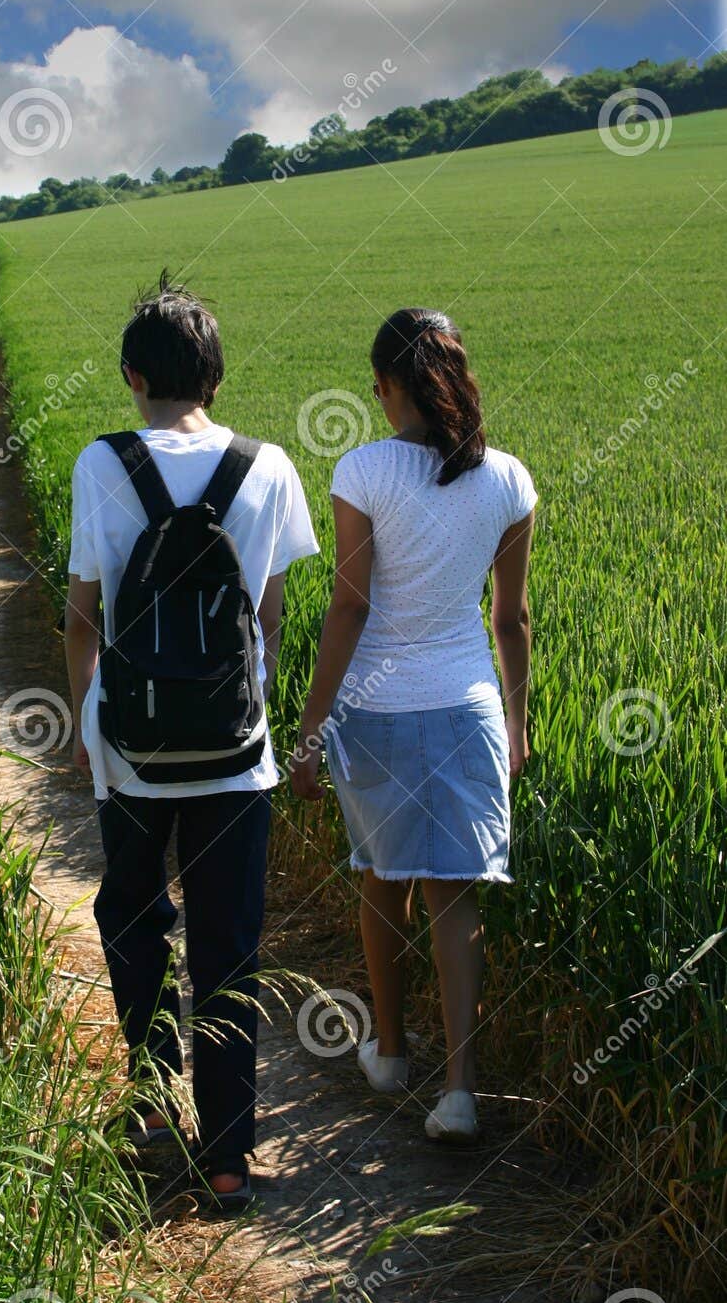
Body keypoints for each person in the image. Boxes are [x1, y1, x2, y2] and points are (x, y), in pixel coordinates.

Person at [65, 272, 318, 1209]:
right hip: (235, 752)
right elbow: (272, 620)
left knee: (131, 916)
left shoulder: (102, 463)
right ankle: (225, 1157)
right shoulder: (270, 465)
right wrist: (252, 709)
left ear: (133, 375)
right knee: (228, 944)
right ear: (214, 376)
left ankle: (149, 1099)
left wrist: (87, 723)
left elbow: (82, 612)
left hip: (130, 749)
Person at [290, 308, 536, 1143]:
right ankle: (460, 1091)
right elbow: (511, 621)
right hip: (469, 708)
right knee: (454, 896)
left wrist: (313, 722)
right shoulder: (507, 478)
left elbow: (351, 604)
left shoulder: (362, 470)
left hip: (379, 710)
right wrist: (519, 720)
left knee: (382, 879)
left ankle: (389, 1052)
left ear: (388, 387)